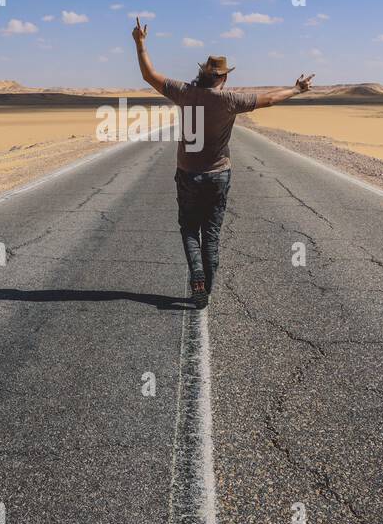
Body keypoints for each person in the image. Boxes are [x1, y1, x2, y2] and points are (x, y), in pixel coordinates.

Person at [132, 16, 314, 309]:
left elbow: (149, 75)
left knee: (190, 229)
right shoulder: (231, 100)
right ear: (224, 77)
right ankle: (207, 290)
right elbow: (269, 98)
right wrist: (296, 89)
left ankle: (198, 278)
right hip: (218, 175)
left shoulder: (184, 92)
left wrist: (140, 43)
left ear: (204, 73)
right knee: (212, 232)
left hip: (188, 174)